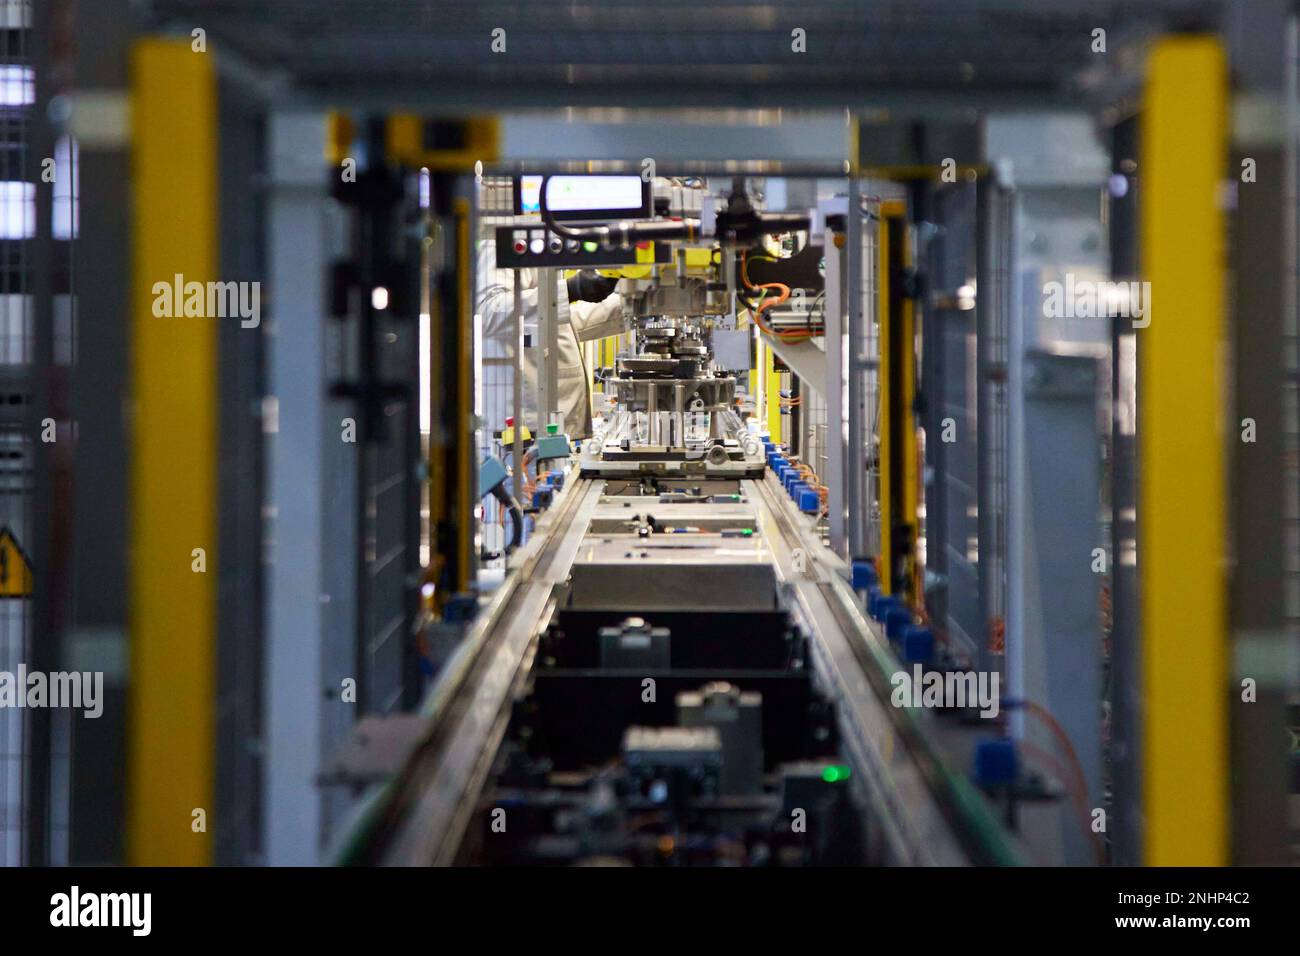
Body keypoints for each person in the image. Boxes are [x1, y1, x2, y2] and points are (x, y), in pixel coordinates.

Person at [476, 240, 624, 439]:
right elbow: (489, 312)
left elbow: (561, 322)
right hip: (525, 432)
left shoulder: (547, 251)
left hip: (557, 424)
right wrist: (570, 290)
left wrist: (630, 303)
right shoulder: (502, 246)